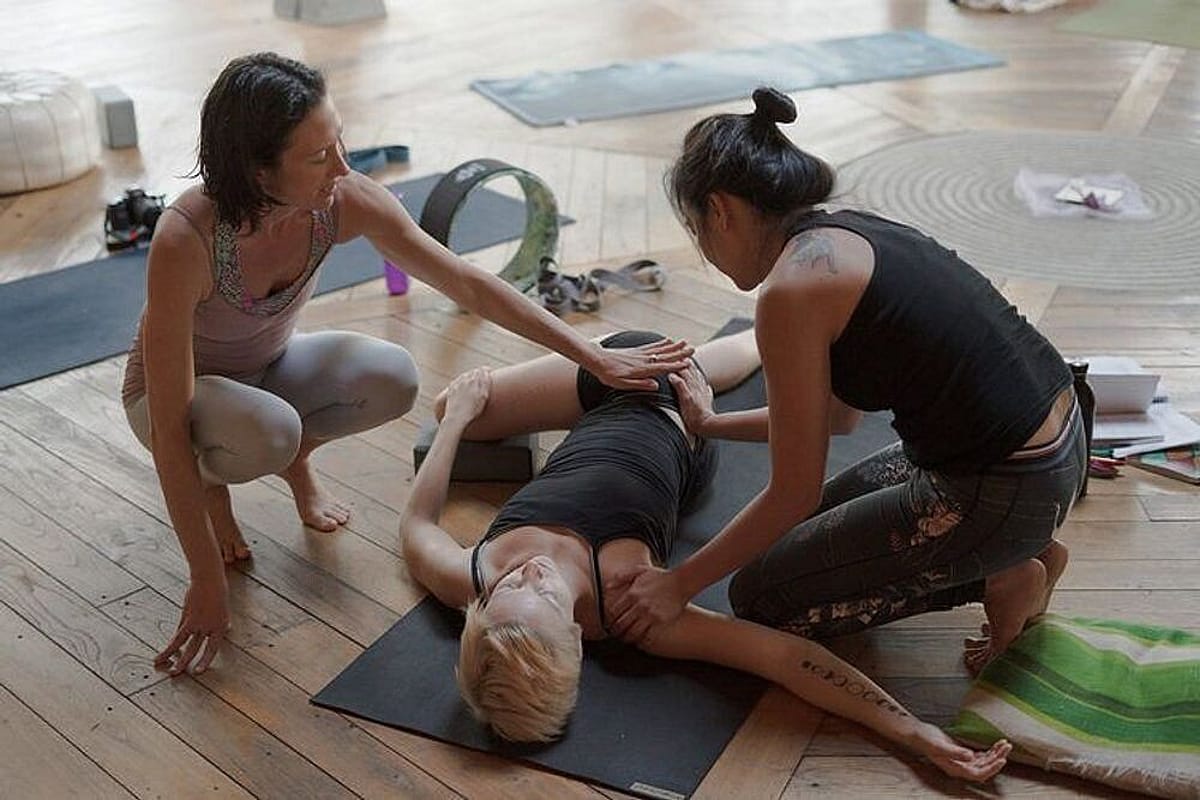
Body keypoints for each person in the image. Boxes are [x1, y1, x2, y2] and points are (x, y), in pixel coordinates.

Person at [121, 52, 691, 677]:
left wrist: (592, 356)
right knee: (268, 432)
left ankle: (295, 464)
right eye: (317, 156)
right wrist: (205, 577)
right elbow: (173, 430)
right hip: (171, 399)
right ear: (256, 171)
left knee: (391, 378)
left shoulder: (342, 200)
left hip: (266, 370)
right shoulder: (187, 240)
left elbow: (465, 282)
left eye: (339, 141)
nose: (341, 165)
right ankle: (218, 488)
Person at [606, 87, 1085, 675]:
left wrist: (675, 585)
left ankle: (1004, 571)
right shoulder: (844, 233)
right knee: (790, 542)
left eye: (697, 229)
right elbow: (836, 419)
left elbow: (792, 490)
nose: (704, 249)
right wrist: (709, 423)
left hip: (1005, 487)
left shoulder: (790, 292)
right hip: (1052, 442)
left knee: (762, 597)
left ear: (721, 210)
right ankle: (1019, 550)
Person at [400, 330, 1011, 781]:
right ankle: (766, 333)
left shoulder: (471, 577)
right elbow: (785, 659)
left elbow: (416, 526)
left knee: (452, 401)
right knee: (731, 358)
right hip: (672, 408)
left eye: (509, 591)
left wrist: (454, 423)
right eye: (542, 595)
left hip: (607, 375)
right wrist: (911, 729)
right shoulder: (632, 610)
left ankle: (717, 343)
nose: (525, 574)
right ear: (577, 637)